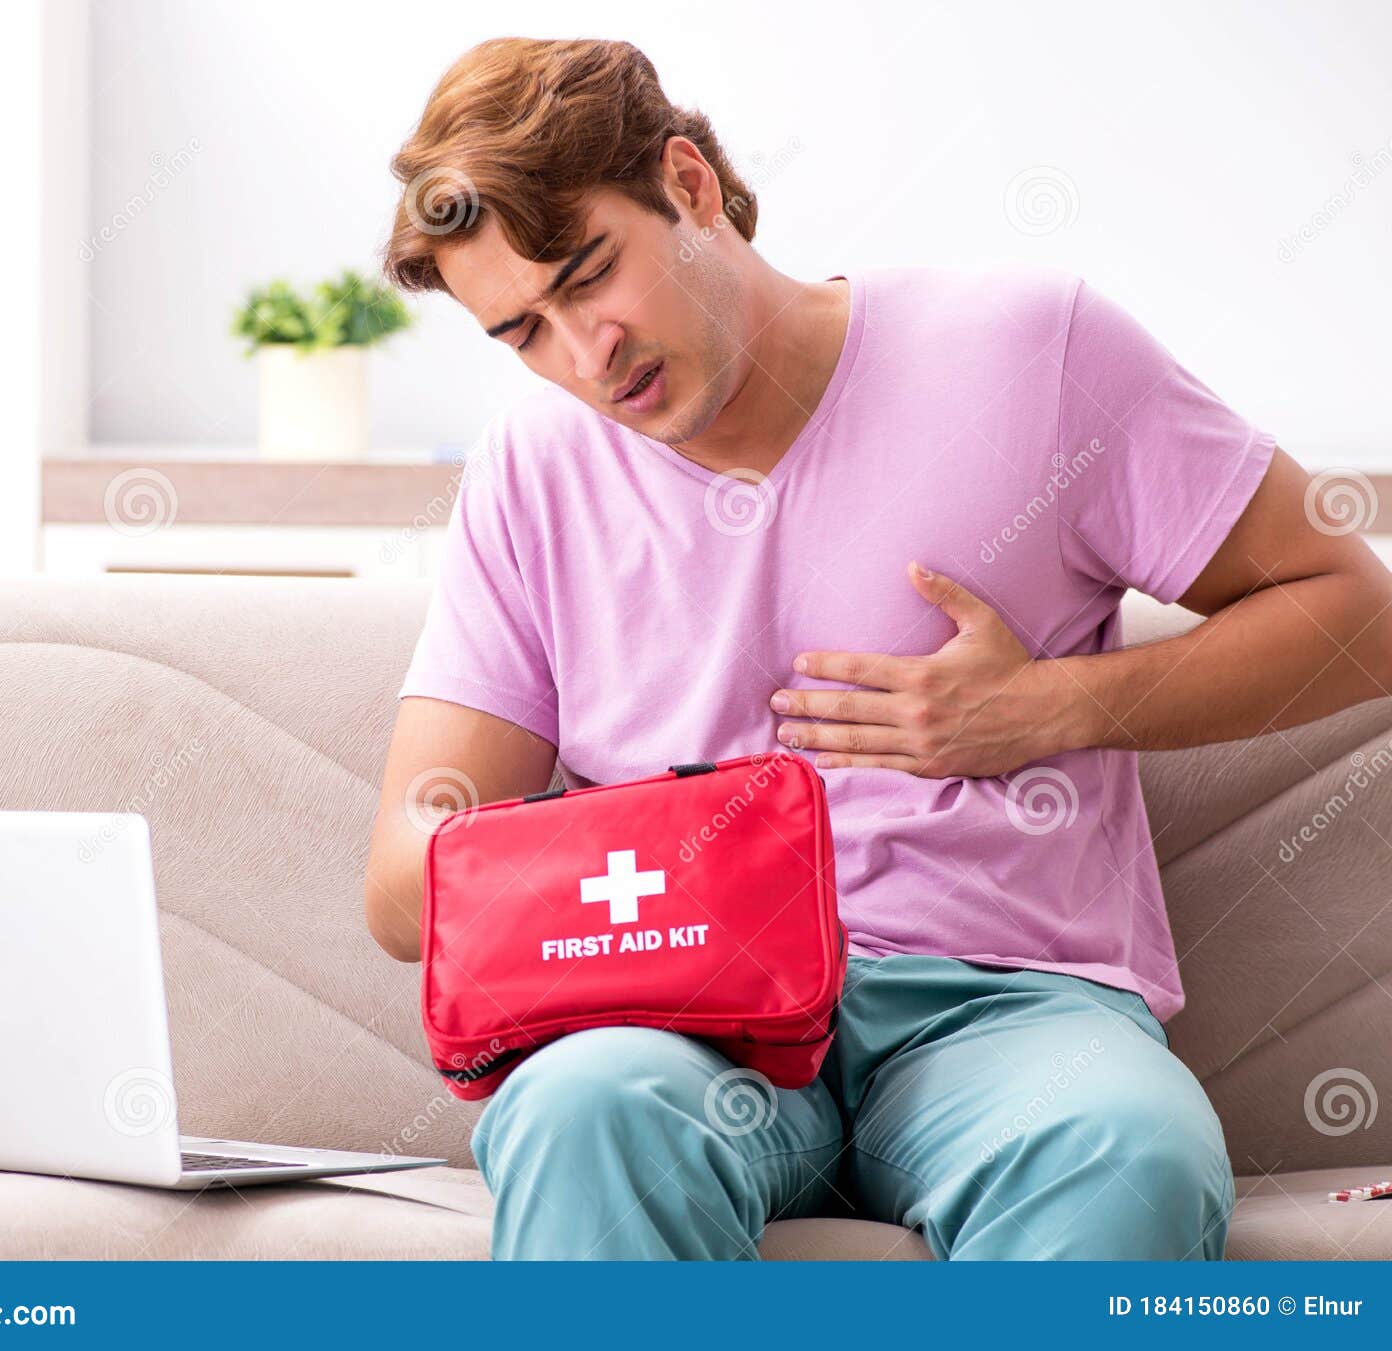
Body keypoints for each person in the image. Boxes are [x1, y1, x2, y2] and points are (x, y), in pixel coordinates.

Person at [364, 37, 1392, 1260]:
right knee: (581, 1109)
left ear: (688, 184)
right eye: (523, 332)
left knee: (1127, 1148)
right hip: (680, 1030)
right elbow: (403, 882)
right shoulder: (533, 472)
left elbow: (1356, 614)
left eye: (589, 275)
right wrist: (662, 860)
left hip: (1002, 1011)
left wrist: (1049, 708)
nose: (586, 355)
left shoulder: (1030, 348)